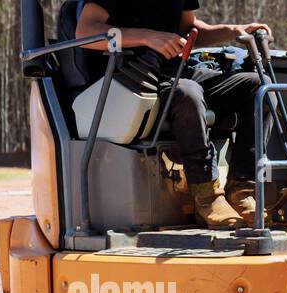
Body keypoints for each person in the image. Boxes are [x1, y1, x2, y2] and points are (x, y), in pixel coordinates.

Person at [77, 1, 272, 228]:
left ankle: (242, 189)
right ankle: (207, 196)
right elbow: (85, 31)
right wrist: (148, 37)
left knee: (261, 88)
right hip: (133, 76)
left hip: (178, 70)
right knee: (188, 93)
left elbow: (190, 30)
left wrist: (233, 30)